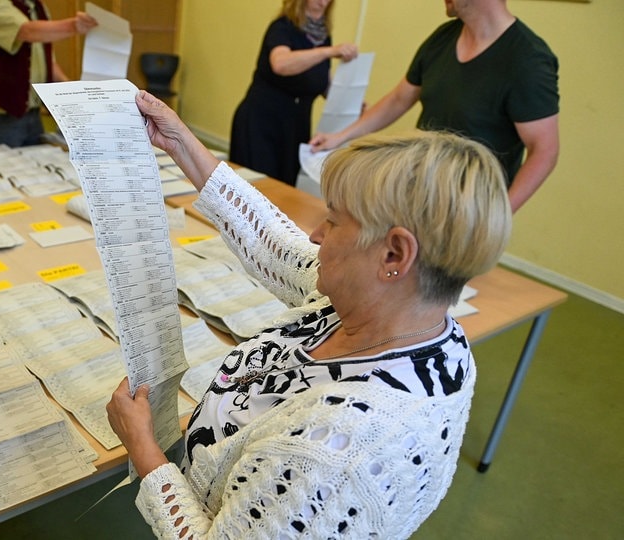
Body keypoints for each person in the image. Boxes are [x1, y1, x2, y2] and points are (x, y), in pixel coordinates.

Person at [107, 90, 512, 538]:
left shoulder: (340, 448)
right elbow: (277, 246)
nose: (316, 234)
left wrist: (145, 451)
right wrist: (180, 141)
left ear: (394, 253)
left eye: (334, 221)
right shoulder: (400, 313)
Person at [309, 0, 559, 212]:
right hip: (420, 191)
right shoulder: (443, 38)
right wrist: (339, 137)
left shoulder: (528, 59)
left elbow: (544, 151)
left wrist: (500, 214)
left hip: (470, 208)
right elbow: (399, 99)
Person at [230, 0, 357, 186]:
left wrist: (353, 102)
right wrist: (328, 52)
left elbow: (322, 83)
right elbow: (281, 64)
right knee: (255, 189)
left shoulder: (323, 36)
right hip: (262, 125)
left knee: (285, 192)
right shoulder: (282, 28)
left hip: (295, 130)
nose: (323, 2)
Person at [0, 0, 97, 149]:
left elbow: (46, 60)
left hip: (32, 113)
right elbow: (26, 31)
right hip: (0, 116)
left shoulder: (37, 7)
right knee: (7, 169)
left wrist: (69, 89)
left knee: (35, 165)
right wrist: (74, 26)